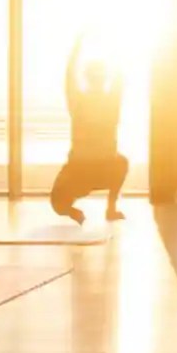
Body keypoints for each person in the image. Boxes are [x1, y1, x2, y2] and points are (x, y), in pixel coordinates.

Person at [50, 39, 127, 224]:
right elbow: (118, 77)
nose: (97, 80)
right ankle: (104, 209)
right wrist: (79, 45)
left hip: (97, 170)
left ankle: (110, 209)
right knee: (57, 203)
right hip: (81, 171)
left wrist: (79, 44)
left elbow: (118, 77)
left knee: (122, 162)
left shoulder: (105, 102)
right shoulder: (83, 102)